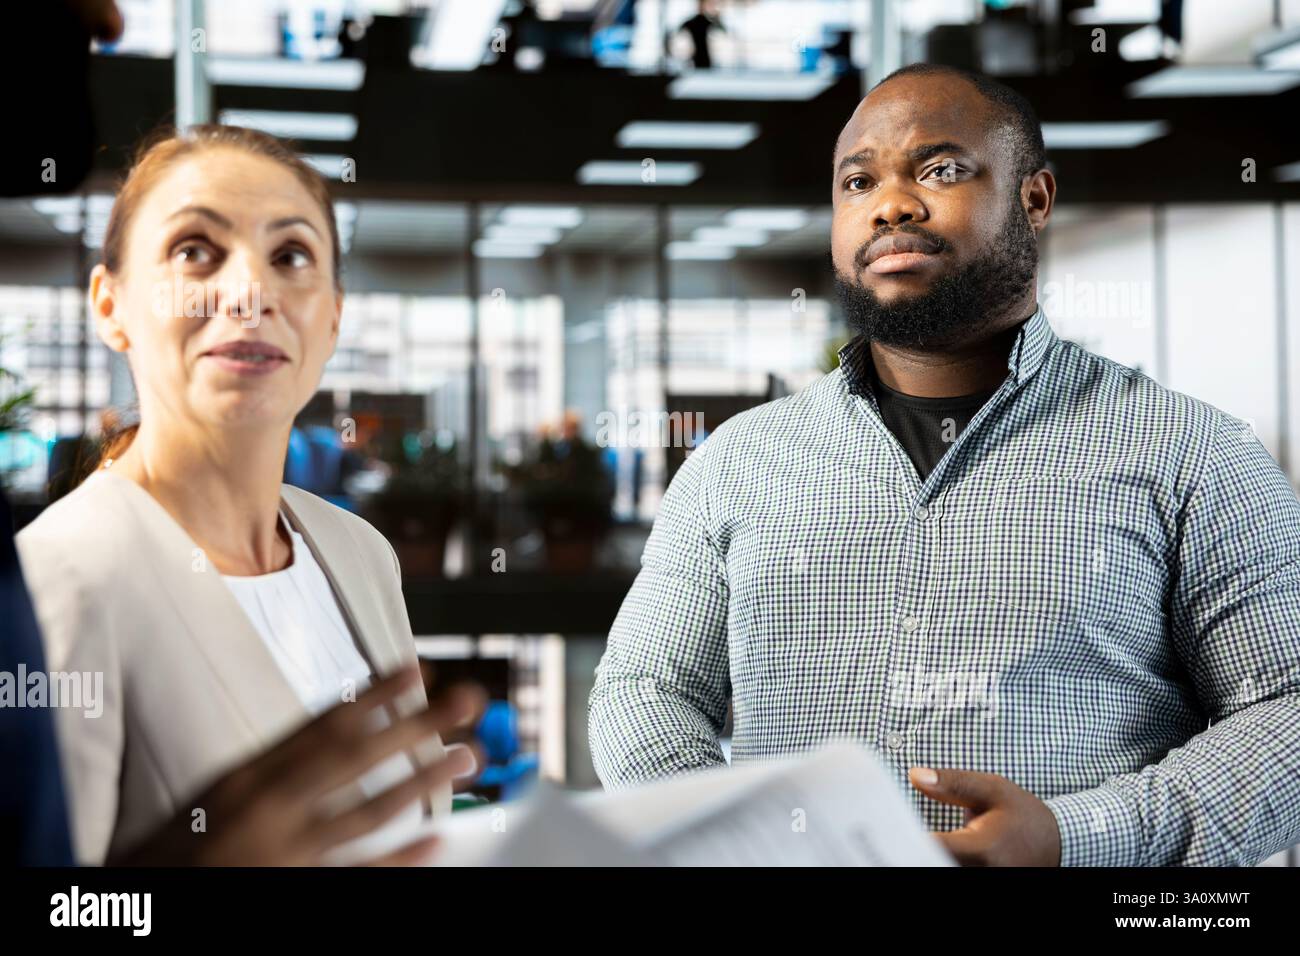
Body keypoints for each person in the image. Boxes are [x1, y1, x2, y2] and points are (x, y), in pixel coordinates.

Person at [589, 63, 1300, 867]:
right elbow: (644, 693)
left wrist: (1076, 837)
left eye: (941, 169)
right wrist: (727, 846)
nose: (890, 204)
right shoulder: (737, 465)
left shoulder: (1194, 453)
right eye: (858, 182)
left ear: (1034, 198)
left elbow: (1288, 711)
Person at [15, 124, 459, 865]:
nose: (251, 292)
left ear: (333, 317)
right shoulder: (57, 582)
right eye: (196, 251)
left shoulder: (359, 554)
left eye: (290, 256)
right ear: (110, 304)